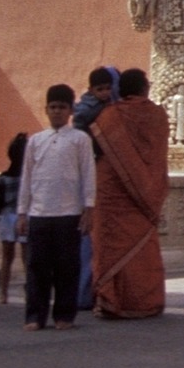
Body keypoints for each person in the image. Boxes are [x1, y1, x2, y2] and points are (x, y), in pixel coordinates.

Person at [89, 68, 170, 318]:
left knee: (111, 246)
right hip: (145, 194)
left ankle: (111, 300)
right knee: (142, 247)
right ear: (145, 88)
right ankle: (144, 302)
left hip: (111, 194)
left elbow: (100, 151)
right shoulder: (157, 116)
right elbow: (157, 154)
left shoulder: (109, 118)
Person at [17, 84, 95, 331]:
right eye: (53, 107)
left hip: (68, 213)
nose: (57, 112)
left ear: (70, 110)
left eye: (62, 107)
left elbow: (88, 174)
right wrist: (22, 212)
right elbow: (27, 177)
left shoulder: (80, 140)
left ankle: (64, 315)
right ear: (46, 109)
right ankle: (34, 316)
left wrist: (89, 208)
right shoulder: (35, 141)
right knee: (37, 268)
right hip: (39, 213)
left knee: (66, 268)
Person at [71, 67, 118, 312]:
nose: (105, 93)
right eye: (100, 89)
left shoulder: (109, 106)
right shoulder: (91, 109)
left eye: (108, 88)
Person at [0, 133, 27, 304]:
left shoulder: (3, 178)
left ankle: (3, 293)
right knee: (27, 257)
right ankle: (29, 290)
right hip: (25, 216)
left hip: (7, 217)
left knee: (6, 257)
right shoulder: (28, 178)